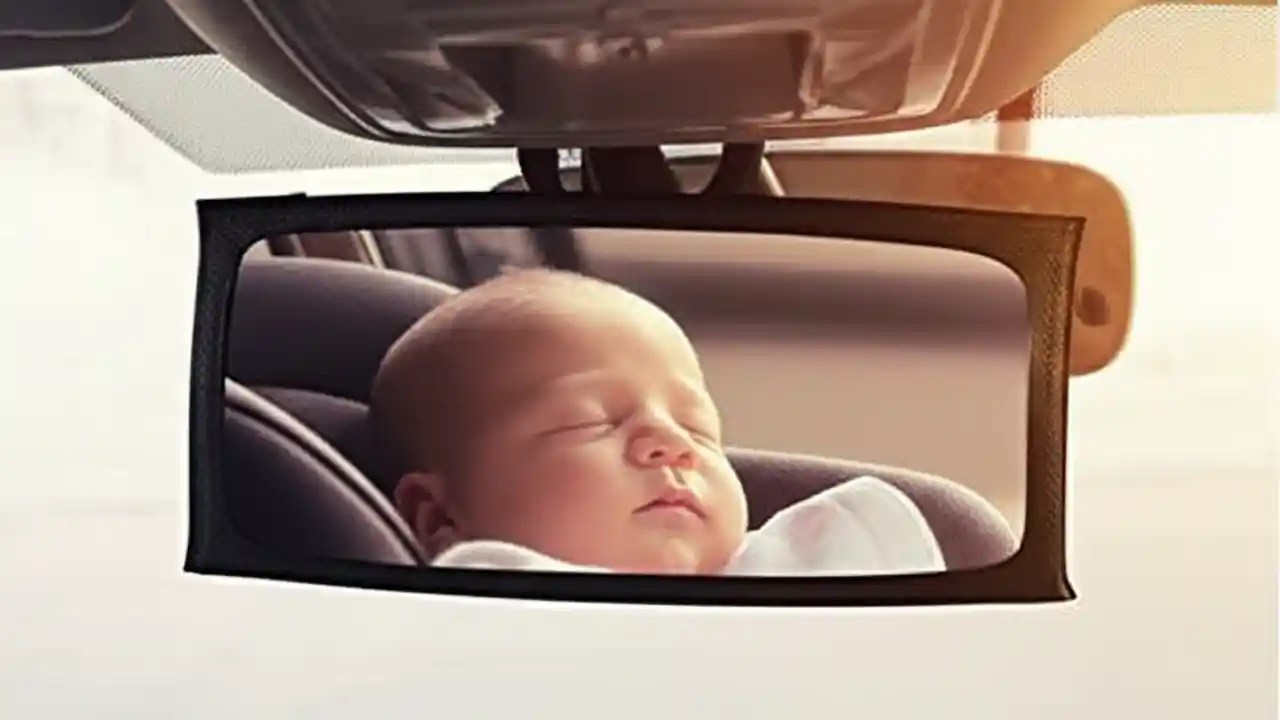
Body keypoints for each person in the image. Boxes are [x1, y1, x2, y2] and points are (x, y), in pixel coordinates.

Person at [370, 267, 944, 576]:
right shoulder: (489, 624)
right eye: (586, 423)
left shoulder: (804, 568)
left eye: (698, 428)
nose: (671, 444)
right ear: (440, 516)